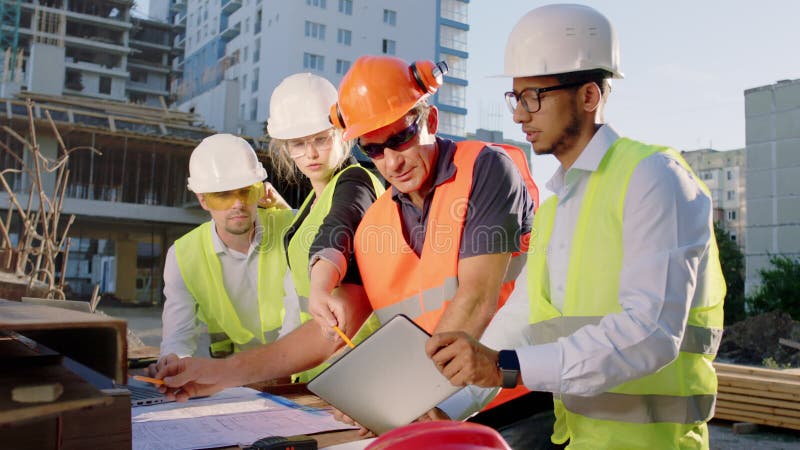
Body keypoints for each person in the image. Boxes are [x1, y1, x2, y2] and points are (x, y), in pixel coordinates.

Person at [426, 4, 725, 449]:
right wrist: (442, 409)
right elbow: (521, 321)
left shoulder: (654, 178)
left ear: (589, 96)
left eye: (534, 97)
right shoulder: (555, 210)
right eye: (516, 98)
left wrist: (506, 366)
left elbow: (650, 333)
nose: (519, 115)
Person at [266, 72, 384, 380]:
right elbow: (296, 301)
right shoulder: (309, 205)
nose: (312, 153)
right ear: (285, 147)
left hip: (358, 367)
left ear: (342, 132)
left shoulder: (357, 181)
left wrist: (320, 285)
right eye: (298, 144)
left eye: (321, 138)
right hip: (315, 369)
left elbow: (339, 226)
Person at [151, 133, 296, 375]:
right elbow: (178, 336)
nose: (237, 204)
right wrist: (175, 362)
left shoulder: (293, 229)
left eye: (246, 192)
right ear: (203, 200)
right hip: (243, 376)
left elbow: (303, 319)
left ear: (260, 190)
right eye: (223, 195)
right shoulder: (183, 256)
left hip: (302, 366)